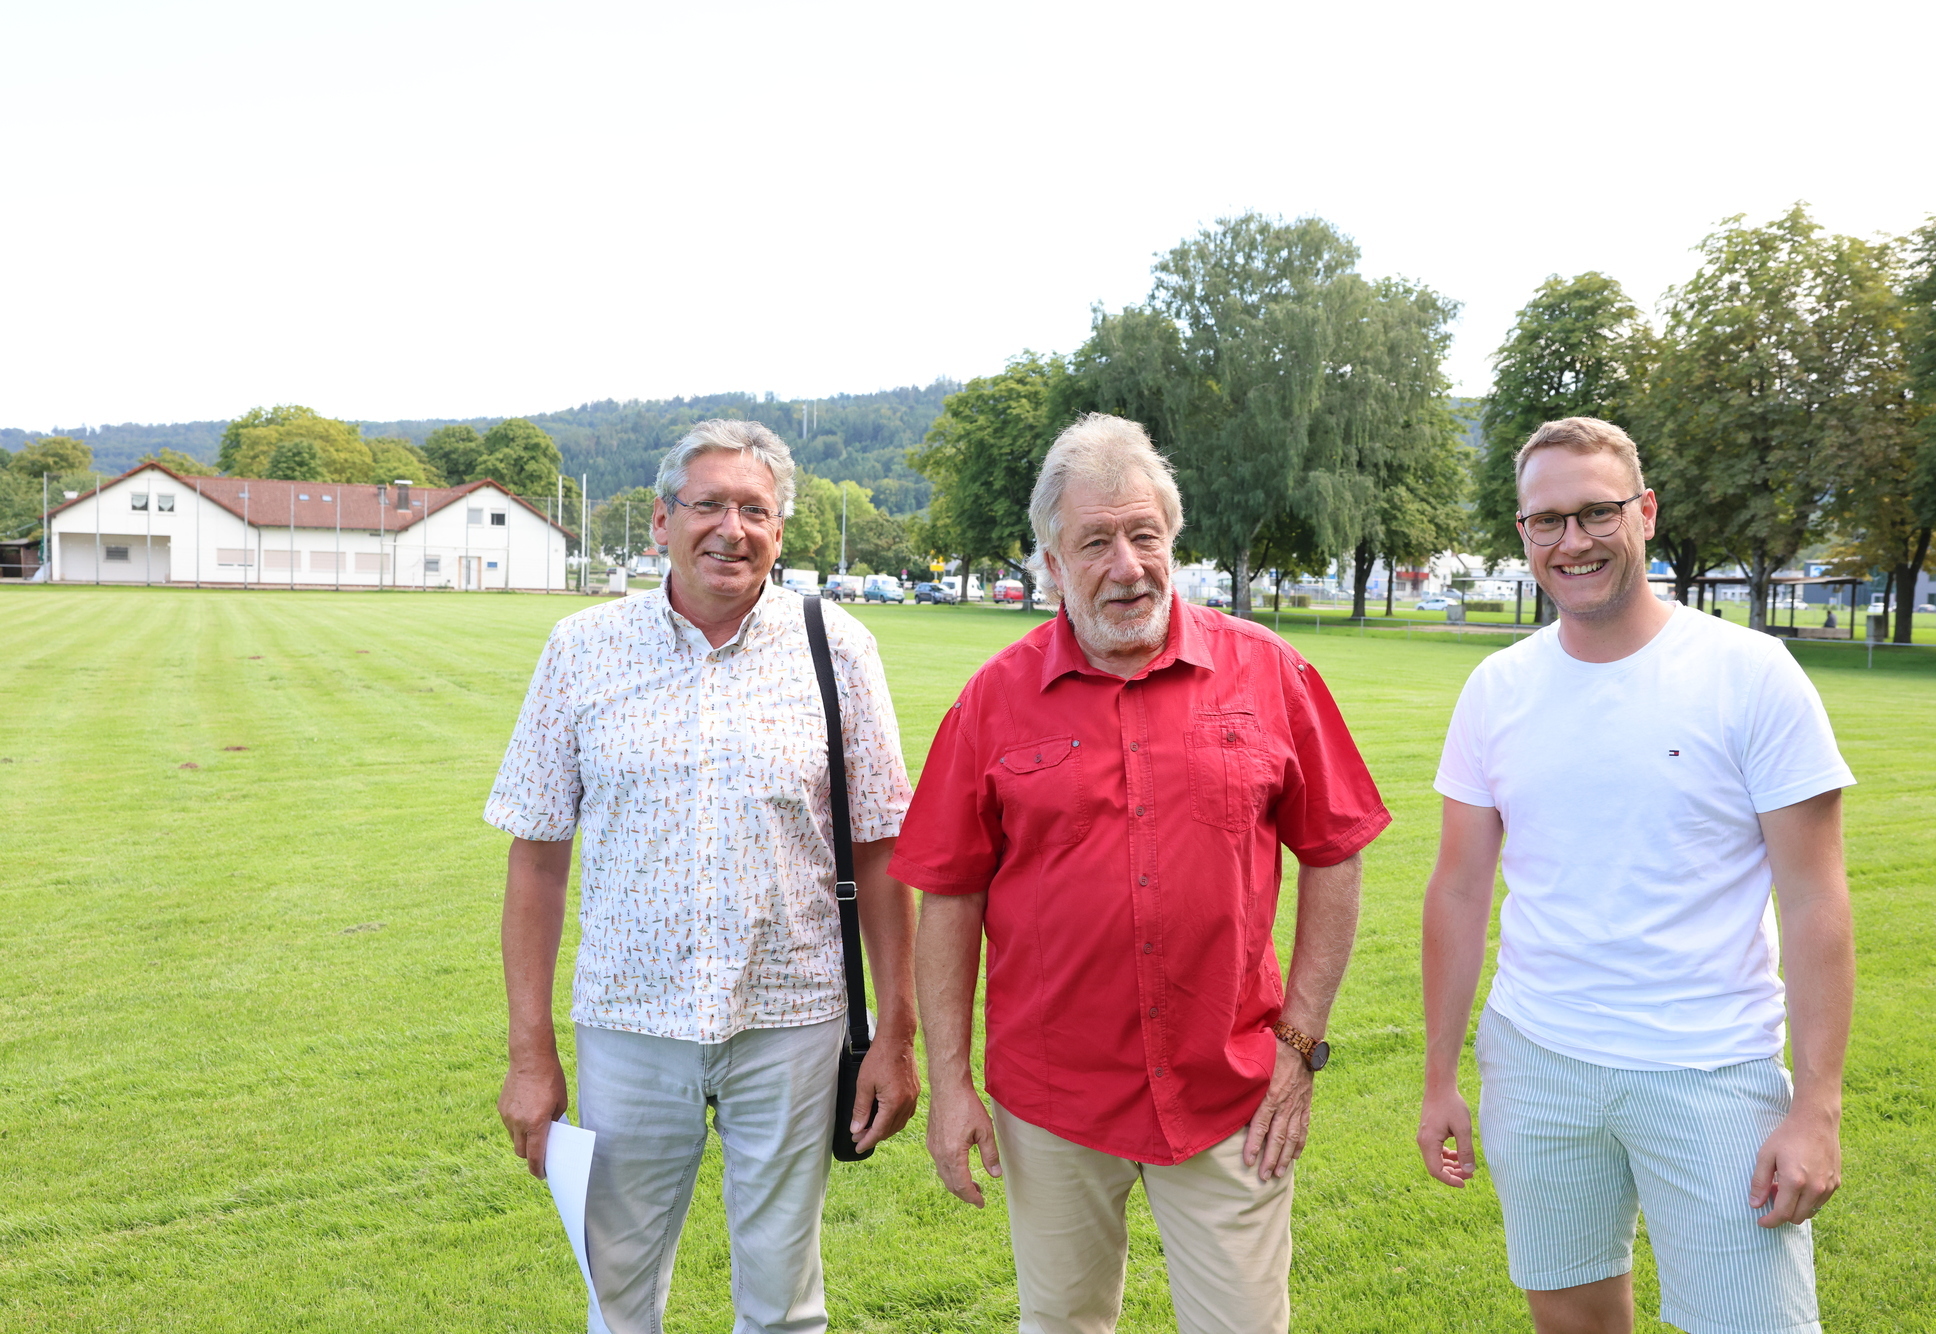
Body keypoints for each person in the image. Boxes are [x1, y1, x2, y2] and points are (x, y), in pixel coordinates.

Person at [893, 414, 1390, 1334]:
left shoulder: (1270, 672)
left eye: (1145, 536)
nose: (1128, 567)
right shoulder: (992, 701)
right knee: (1063, 1322)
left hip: (1230, 1089)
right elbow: (949, 896)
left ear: (1173, 541)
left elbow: (1336, 850)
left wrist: (1301, 1042)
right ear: (1051, 563)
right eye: (1095, 542)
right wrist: (950, 1082)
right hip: (1055, 1099)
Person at [1417, 417, 1855, 1334]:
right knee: (1571, 1318)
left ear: (1645, 513)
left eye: (1596, 513)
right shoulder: (1498, 688)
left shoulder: (1751, 674)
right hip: (1536, 1058)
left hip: (1710, 1067)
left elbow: (1815, 899)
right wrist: (1439, 1077)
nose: (1571, 541)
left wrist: (1816, 1106)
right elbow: (1458, 889)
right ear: (1524, 532)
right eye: (1546, 521)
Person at [487, 419, 919, 1334]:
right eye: (709, 505)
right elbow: (537, 858)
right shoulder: (582, 648)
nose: (732, 528)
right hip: (630, 1024)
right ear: (661, 521)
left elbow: (882, 853)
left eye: (755, 510)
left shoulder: (839, 649)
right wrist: (530, 1053)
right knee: (619, 1298)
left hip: (793, 1022)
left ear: (779, 531)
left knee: (783, 1305)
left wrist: (897, 1033)